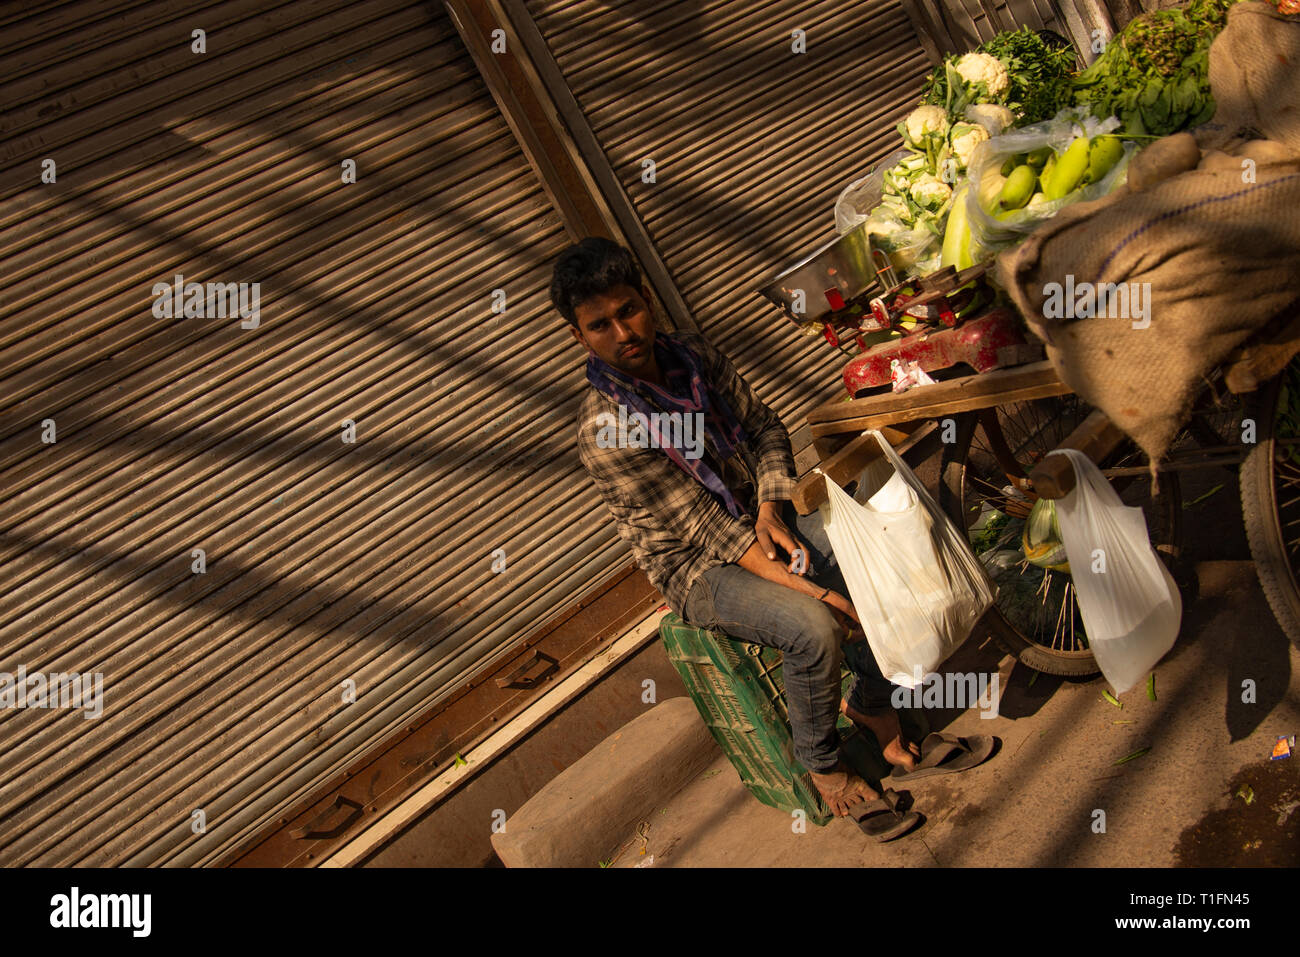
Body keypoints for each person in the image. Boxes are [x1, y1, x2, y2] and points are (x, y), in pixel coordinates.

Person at [553, 237, 924, 818]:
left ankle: (872, 704)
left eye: (628, 310)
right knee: (812, 627)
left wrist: (771, 508)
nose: (622, 332)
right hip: (697, 566)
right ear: (580, 338)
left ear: (646, 302)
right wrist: (817, 592)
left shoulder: (694, 356)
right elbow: (705, 528)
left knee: (883, 558)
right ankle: (823, 766)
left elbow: (764, 429)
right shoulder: (607, 429)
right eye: (600, 325)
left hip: (760, 517)